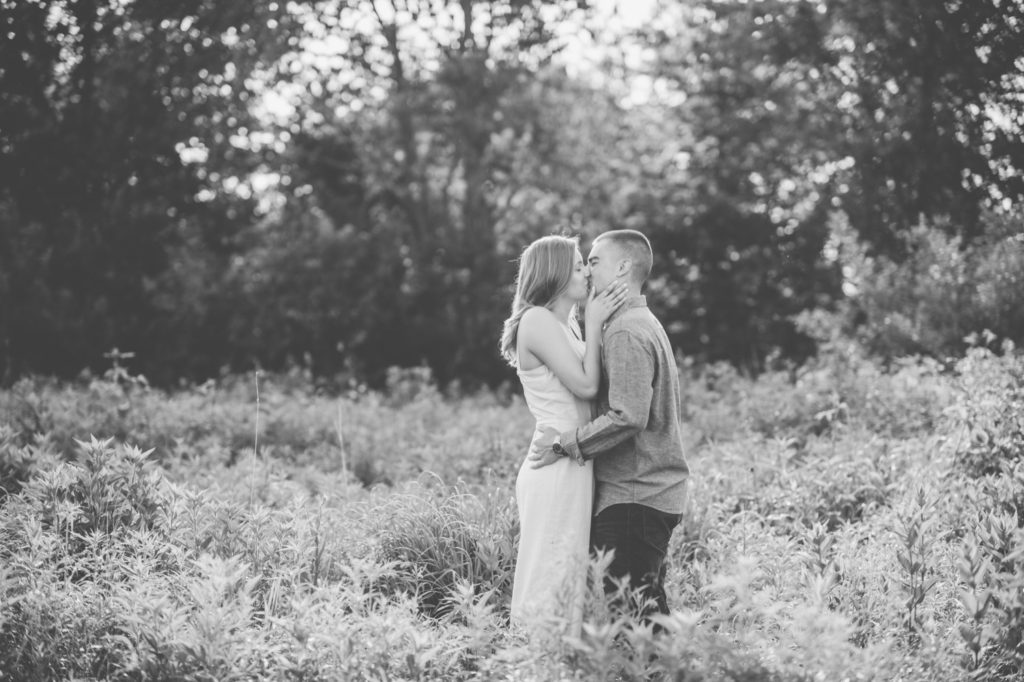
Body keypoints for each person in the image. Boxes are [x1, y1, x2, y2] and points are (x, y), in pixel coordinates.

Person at [529, 229, 689, 628]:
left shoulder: (624, 331)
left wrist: (567, 445)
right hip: (644, 492)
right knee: (641, 611)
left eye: (593, 261)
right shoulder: (638, 322)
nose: (587, 270)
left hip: (635, 494)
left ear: (622, 268)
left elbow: (627, 416)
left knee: (637, 619)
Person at [499, 234, 628, 638]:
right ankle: (532, 665)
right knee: (549, 576)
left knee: (568, 576)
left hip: (572, 459)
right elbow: (587, 388)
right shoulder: (537, 320)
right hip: (554, 467)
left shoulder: (563, 323)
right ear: (553, 274)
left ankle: (558, 666)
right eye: (576, 266)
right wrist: (593, 320)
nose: (586, 271)